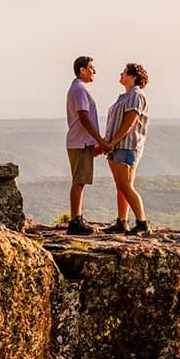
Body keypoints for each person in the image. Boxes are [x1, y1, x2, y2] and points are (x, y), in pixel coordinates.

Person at [100, 62, 152, 235]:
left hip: (127, 146)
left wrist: (113, 142)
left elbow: (130, 122)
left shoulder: (136, 95)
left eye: (124, 72)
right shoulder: (124, 96)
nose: (121, 75)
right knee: (121, 186)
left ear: (133, 76)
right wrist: (107, 143)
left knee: (126, 185)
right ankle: (122, 221)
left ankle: (142, 223)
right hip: (117, 146)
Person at [64, 55, 108, 234]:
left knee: (79, 181)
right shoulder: (80, 89)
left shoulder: (78, 88)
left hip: (80, 142)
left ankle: (77, 218)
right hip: (80, 142)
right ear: (82, 70)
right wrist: (100, 140)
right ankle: (75, 221)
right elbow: (84, 117)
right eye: (91, 68)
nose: (94, 71)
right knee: (79, 181)